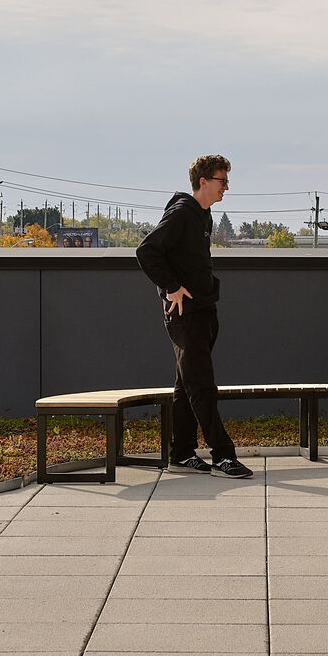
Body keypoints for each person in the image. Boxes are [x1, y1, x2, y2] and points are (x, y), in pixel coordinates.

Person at [136, 154, 252, 479]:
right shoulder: (182, 214)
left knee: (185, 384)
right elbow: (146, 251)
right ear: (203, 181)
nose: (226, 187)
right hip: (185, 315)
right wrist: (171, 287)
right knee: (201, 384)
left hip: (203, 311)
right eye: (222, 181)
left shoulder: (203, 216)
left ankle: (182, 452)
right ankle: (223, 455)